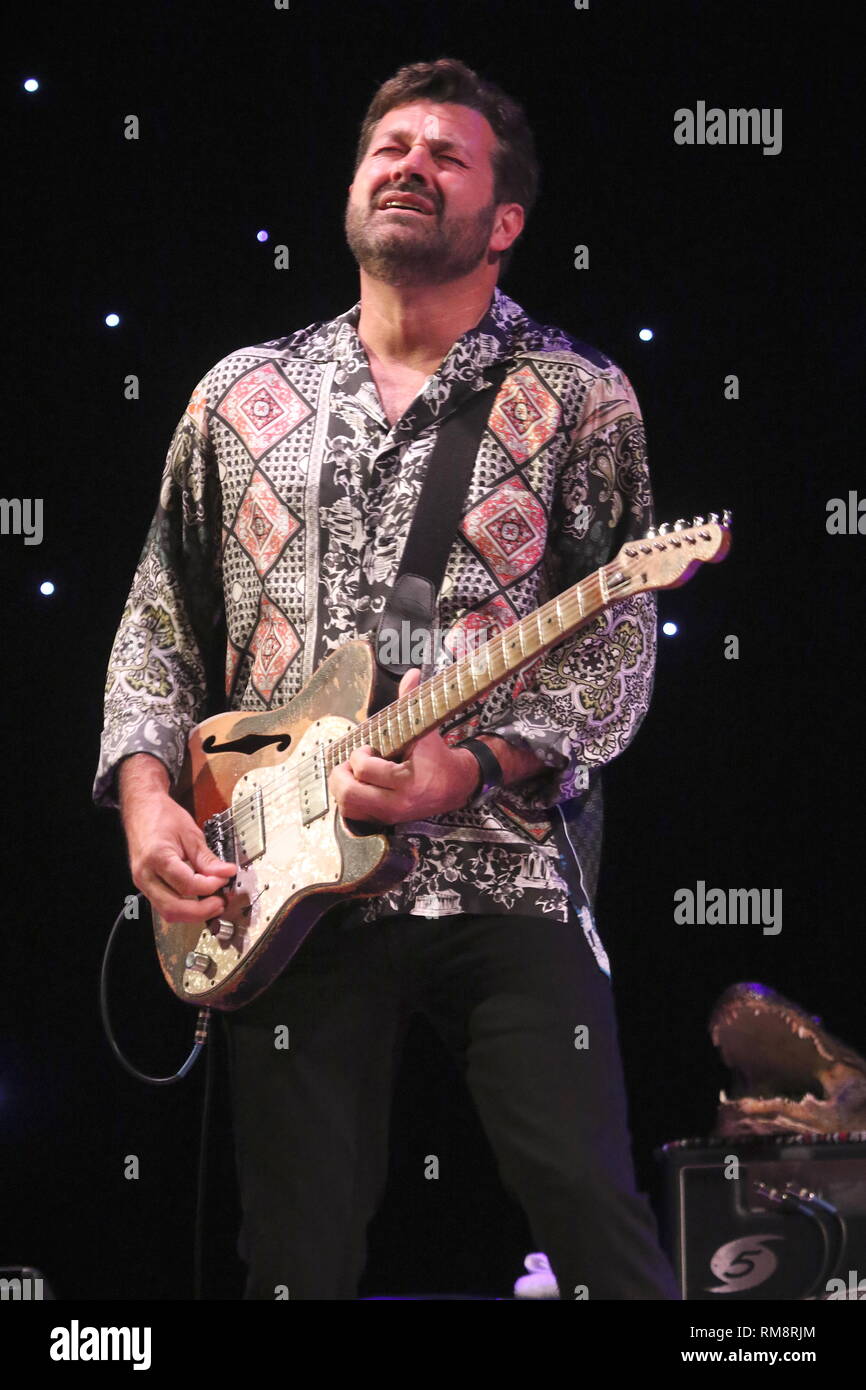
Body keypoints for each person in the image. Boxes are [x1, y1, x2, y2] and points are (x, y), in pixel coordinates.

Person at [94, 57, 680, 1301]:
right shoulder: (238, 397)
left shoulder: (580, 398)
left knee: (594, 1222)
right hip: (275, 878)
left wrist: (466, 766)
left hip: (506, 871)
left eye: (444, 155)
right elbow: (158, 621)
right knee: (293, 1259)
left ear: (502, 222)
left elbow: (617, 645)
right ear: (355, 185)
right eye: (388, 147)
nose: (408, 164)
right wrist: (148, 799)